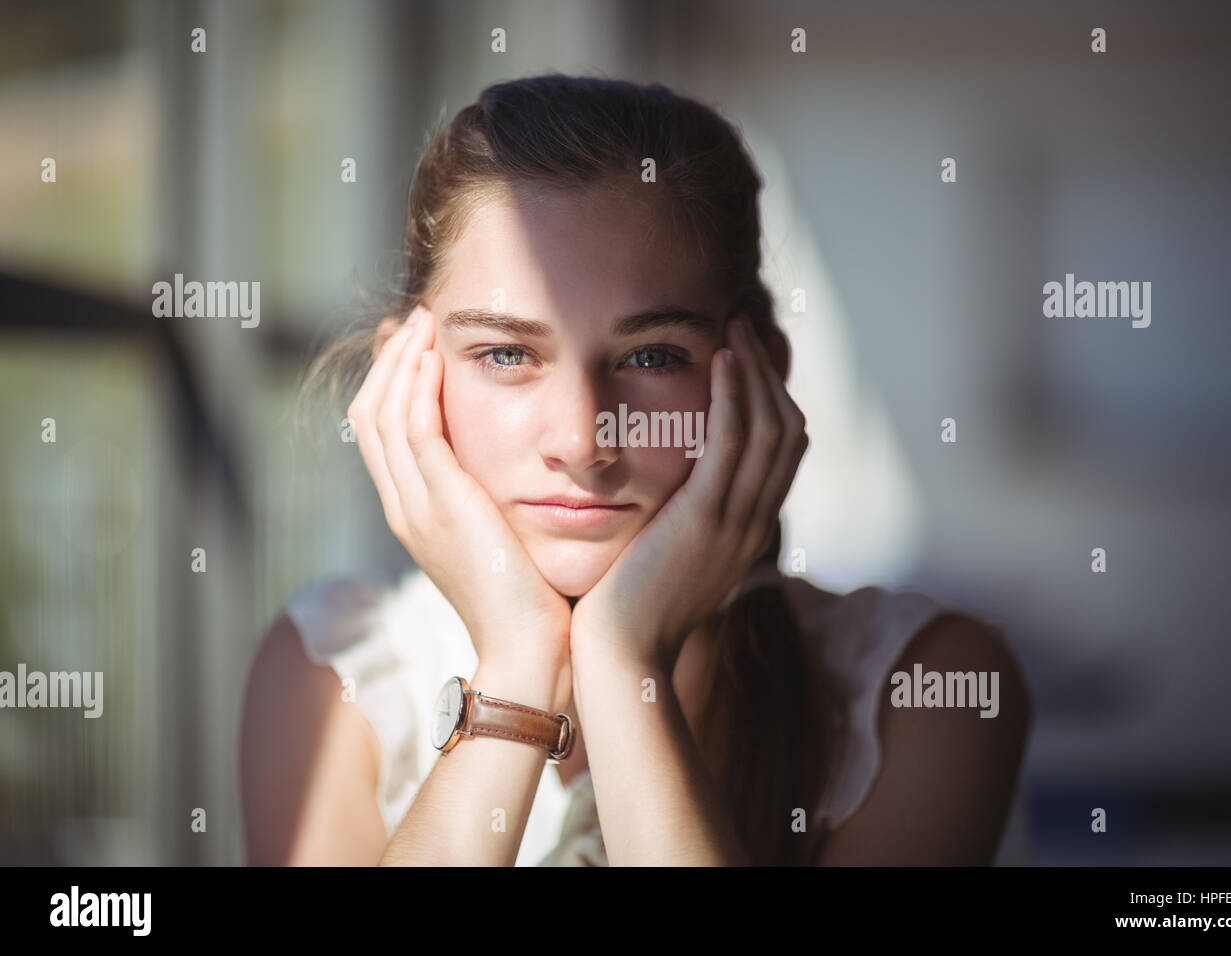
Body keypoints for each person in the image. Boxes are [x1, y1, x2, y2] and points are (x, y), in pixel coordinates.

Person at [238, 73, 1031, 867]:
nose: (584, 440)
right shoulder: (332, 675)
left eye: (652, 356)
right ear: (407, 382)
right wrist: (519, 662)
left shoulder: (927, 692)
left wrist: (623, 665)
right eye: (508, 354)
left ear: (760, 377)